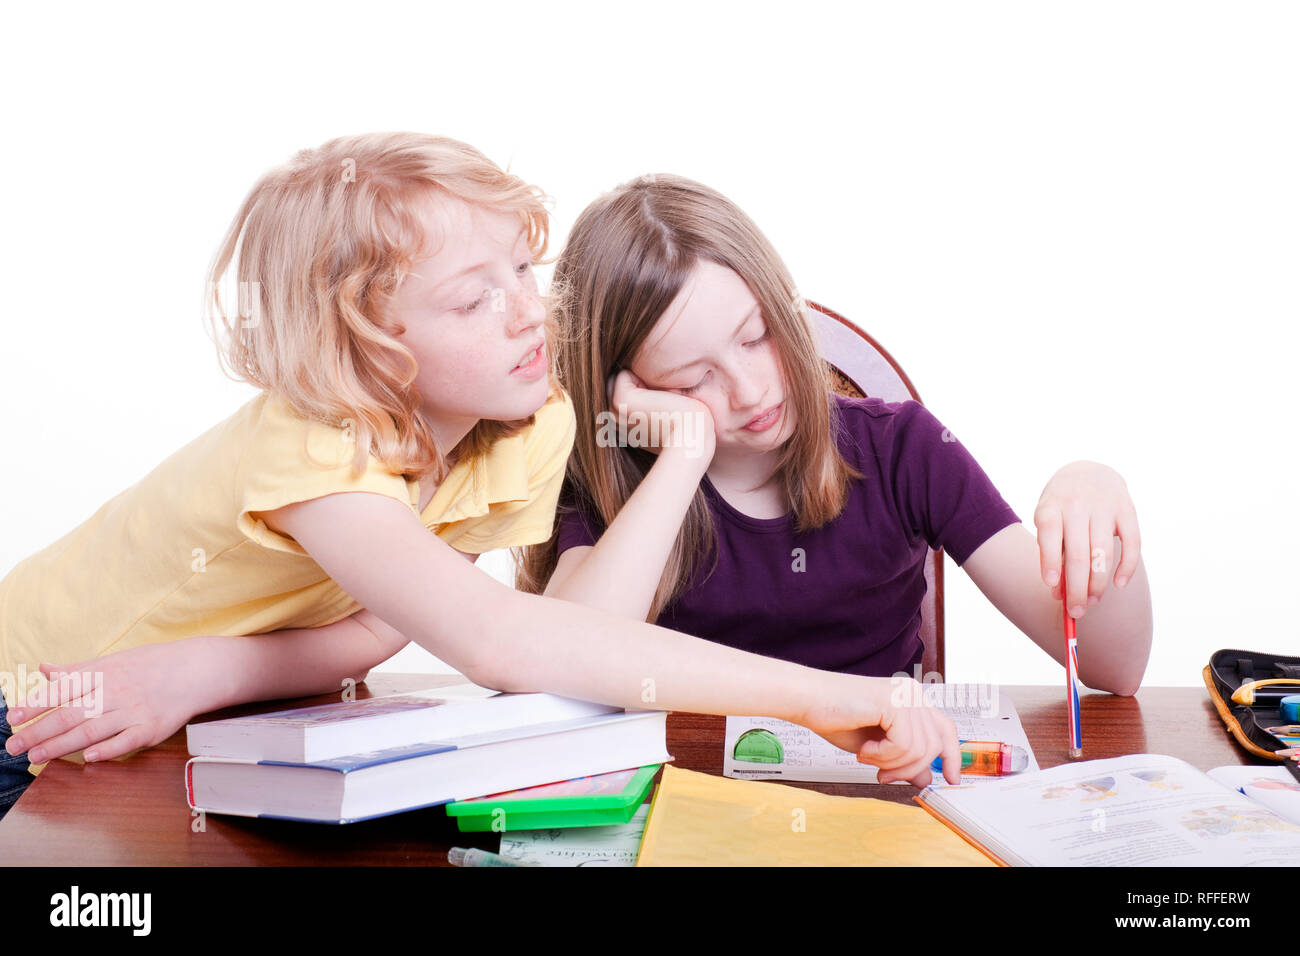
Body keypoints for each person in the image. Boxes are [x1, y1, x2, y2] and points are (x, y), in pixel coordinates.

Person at [0, 135, 962, 821]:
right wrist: (821, 696)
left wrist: (207, 667)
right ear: (370, 347)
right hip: (32, 701)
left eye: (523, 269)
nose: (528, 315)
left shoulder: (522, 427)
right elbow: (504, 639)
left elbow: (376, 629)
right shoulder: (315, 445)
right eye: (474, 298)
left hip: (184, 721)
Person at [518, 173, 1152, 695]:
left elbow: (1112, 667)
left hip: (884, 804)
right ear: (630, 396)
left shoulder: (903, 449)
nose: (751, 390)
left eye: (755, 336)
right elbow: (569, 666)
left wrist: (1095, 492)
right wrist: (682, 457)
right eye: (692, 381)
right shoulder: (618, 488)